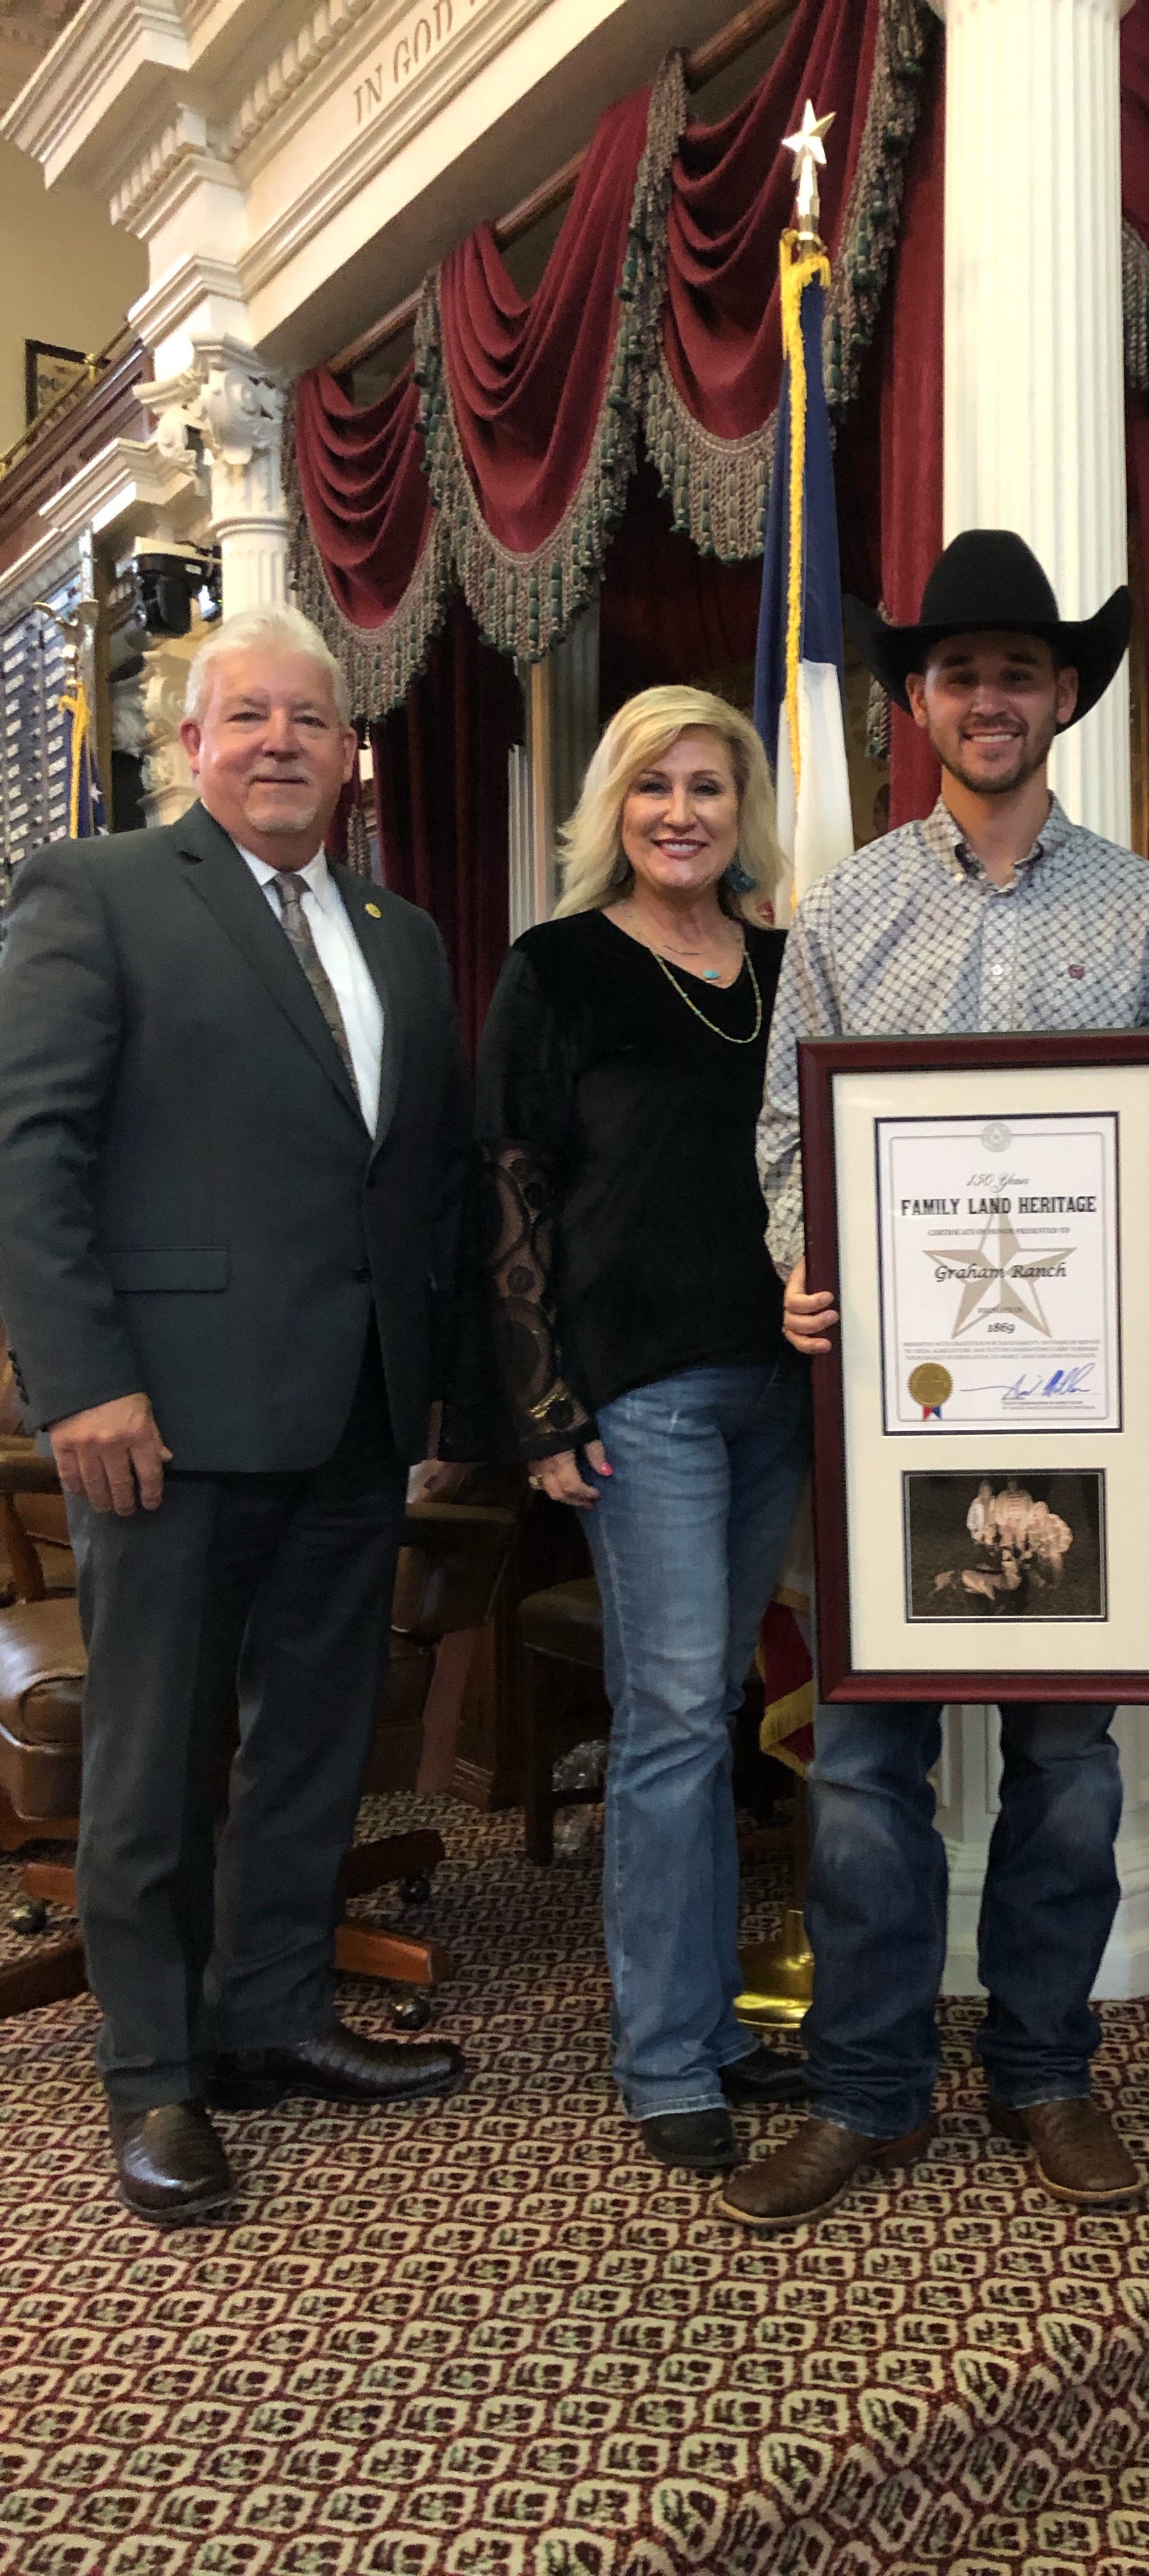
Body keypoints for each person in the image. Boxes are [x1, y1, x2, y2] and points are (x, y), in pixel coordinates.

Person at [723, 529, 1149, 2232]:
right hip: (894, 1413)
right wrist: (812, 1264)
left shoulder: (1147, 910)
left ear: (1064, 693)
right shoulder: (850, 905)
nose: (991, 697)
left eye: (1022, 670)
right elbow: (798, 1134)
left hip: (1083, 1419)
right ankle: (868, 2091)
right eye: (960, 672)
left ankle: (1045, 2070)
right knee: (866, 1765)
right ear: (915, 700)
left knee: (1067, 1766)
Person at [0, 603, 471, 2225]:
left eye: (312, 721)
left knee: (316, 1741)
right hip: (163, 1417)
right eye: (246, 717)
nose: (282, 742)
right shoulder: (101, 892)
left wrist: (447, 1391)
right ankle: (155, 2077)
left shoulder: (398, 933)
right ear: (189, 746)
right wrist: (82, 1381)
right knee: (152, 1755)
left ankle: (272, 2015)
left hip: (354, 1410)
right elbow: (32, 1153)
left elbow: (420, 1183)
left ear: (350, 753)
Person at [474, 687, 812, 2174]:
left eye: (711, 788)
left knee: (713, 1703)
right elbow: (508, 1188)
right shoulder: (554, 969)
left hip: (782, 1385)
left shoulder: (789, 967)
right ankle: (667, 2051)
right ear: (612, 805)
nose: (684, 812)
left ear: (745, 812)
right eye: (654, 786)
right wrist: (540, 1405)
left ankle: (717, 2026)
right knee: (674, 1716)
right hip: (640, 1397)